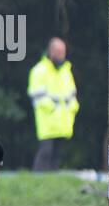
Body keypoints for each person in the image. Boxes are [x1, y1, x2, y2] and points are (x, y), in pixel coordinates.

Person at [27, 37, 79, 171]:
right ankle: (37, 177)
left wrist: (72, 107)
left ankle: (52, 178)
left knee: (57, 154)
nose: (62, 55)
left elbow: (72, 93)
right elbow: (36, 95)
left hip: (63, 120)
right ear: (51, 51)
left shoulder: (66, 71)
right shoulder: (39, 70)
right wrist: (54, 108)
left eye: (63, 51)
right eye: (59, 51)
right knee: (45, 152)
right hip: (48, 119)